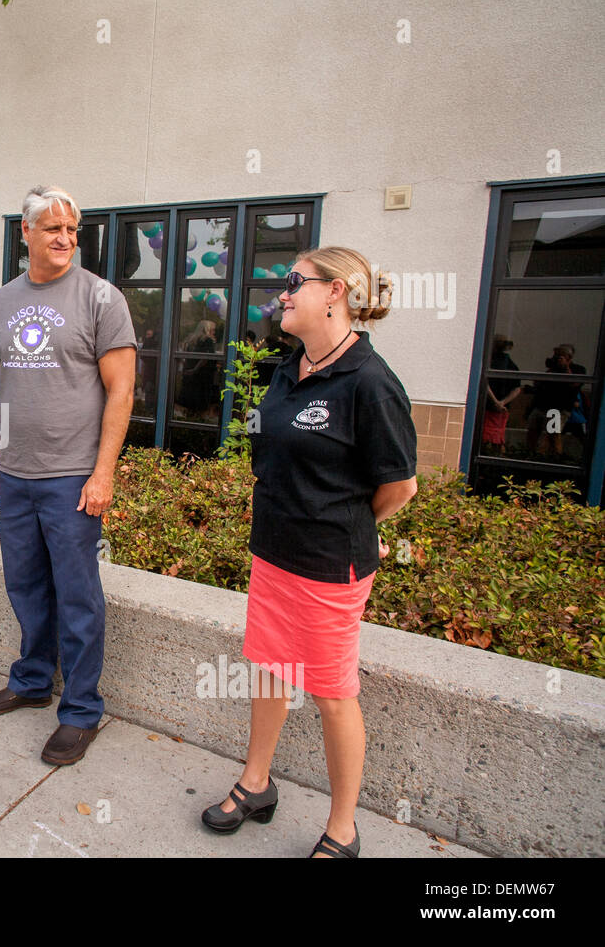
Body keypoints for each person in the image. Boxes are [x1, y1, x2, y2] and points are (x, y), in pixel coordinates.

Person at [201, 247, 417, 859]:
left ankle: (344, 830)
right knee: (270, 667)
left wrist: (343, 521)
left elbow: (400, 486)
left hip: (330, 566)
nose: (284, 294)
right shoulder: (288, 366)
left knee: (329, 691)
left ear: (337, 292)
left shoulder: (371, 383)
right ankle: (256, 784)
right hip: (274, 552)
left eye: (295, 282)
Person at [0, 185, 137, 765]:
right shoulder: (0, 302)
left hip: (72, 478)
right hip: (15, 474)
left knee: (78, 597)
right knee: (25, 585)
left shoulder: (101, 298)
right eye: (53, 229)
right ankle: (34, 680)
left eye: (73, 229)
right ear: (27, 232)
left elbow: (122, 391)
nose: (66, 238)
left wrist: (103, 475)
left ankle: (82, 711)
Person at [481, 335, 521, 452]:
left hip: (489, 407)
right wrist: (502, 402)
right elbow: (517, 388)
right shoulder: (510, 364)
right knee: (497, 438)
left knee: (485, 437)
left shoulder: (489, 361)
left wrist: (496, 402)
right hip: (501, 408)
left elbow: (485, 383)